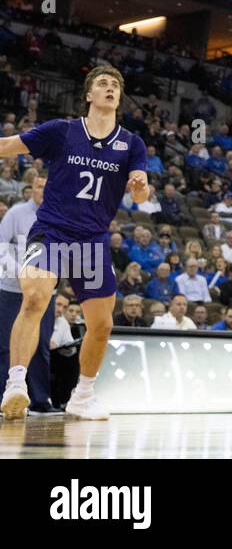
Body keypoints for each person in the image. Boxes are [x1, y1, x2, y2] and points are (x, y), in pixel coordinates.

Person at [1, 66, 149, 420]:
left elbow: (141, 196)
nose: (110, 88)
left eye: (115, 85)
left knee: (102, 325)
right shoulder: (62, 130)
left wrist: (140, 187)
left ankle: (82, 396)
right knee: (35, 298)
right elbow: (8, 146)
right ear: (89, 95)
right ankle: (16, 384)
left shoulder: (132, 144)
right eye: (103, 83)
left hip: (92, 241)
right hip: (52, 231)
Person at [0, 175, 56, 413]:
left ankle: (40, 401)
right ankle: (5, 398)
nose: (43, 190)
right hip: (13, 289)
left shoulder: (59, 215)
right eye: (39, 186)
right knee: (7, 346)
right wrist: (21, 273)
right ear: (32, 188)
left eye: (47, 186)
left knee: (42, 345)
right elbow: (1, 246)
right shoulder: (16, 213)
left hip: (45, 289)